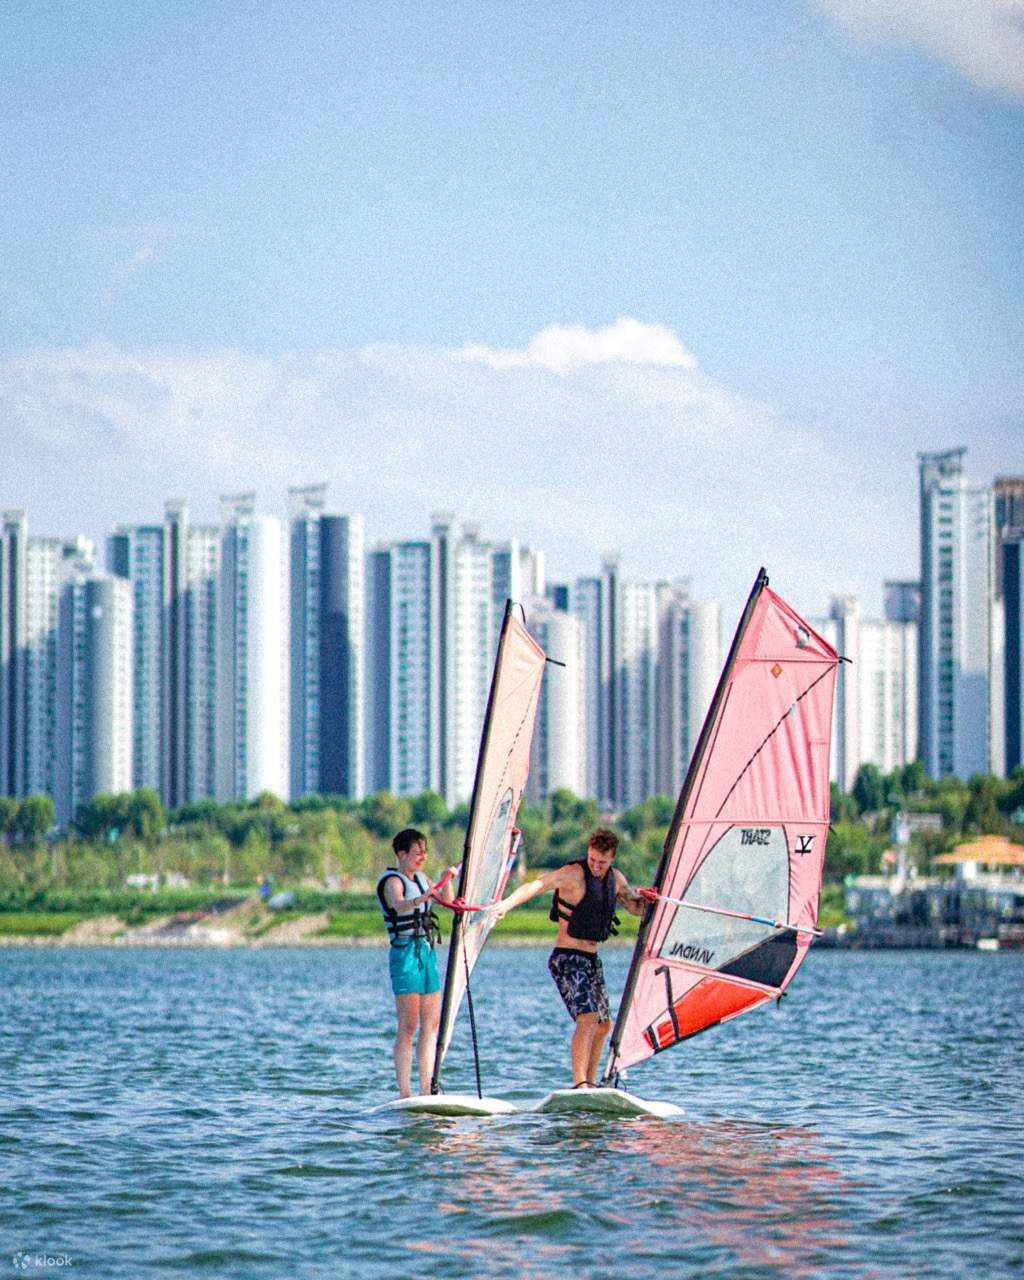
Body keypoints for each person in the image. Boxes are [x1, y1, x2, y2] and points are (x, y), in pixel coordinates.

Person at [491, 827, 646, 1088]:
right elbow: (537, 885)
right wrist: (505, 906)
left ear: (612, 859)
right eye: (592, 859)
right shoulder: (573, 874)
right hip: (567, 958)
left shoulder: (616, 879)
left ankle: (592, 1083)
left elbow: (634, 907)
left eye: (602, 862)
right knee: (587, 1017)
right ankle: (580, 1083)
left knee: (604, 1024)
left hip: (592, 961)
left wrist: (650, 900)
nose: (596, 866)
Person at [376, 828, 455, 1098]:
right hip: (404, 954)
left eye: (425, 851)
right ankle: (405, 1093)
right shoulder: (393, 882)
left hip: (426, 951)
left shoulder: (423, 879)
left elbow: (447, 901)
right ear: (402, 854)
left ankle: (426, 1089)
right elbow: (399, 905)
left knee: (431, 1024)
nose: (423, 856)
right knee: (408, 1025)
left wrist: (448, 880)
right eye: (417, 852)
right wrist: (424, 897)